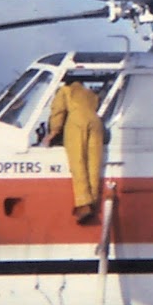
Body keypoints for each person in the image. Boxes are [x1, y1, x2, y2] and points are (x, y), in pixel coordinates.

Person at [43, 74, 104, 223]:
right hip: (96, 122)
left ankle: (83, 203)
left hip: (76, 121)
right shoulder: (90, 94)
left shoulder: (65, 90)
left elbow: (58, 111)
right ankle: (94, 201)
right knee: (93, 164)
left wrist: (53, 132)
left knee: (78, 162)